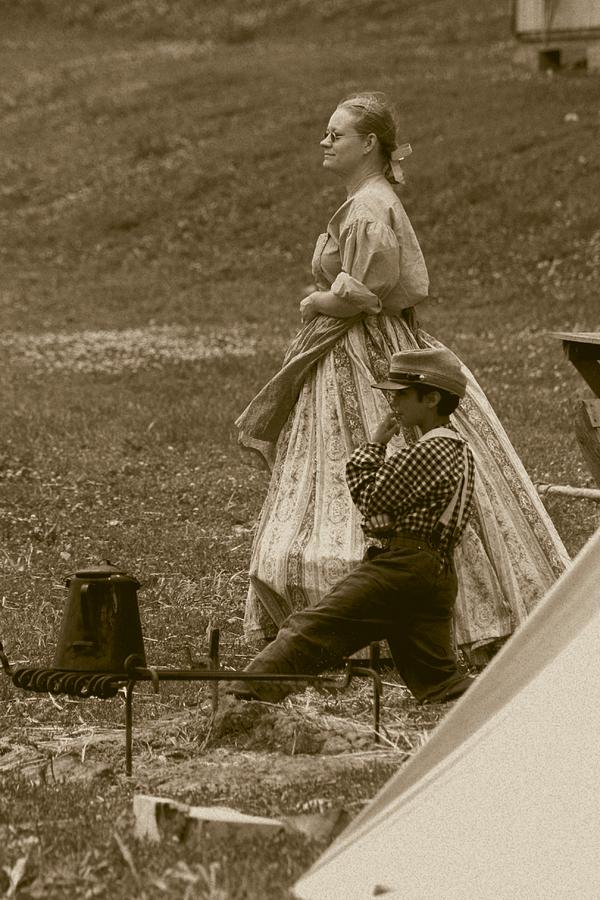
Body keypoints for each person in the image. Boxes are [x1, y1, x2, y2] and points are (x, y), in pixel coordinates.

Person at [236, 91, 569, 667]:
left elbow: (361, 299)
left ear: (370, 144)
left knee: (367, 458)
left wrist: (317, 297)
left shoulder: (368, 208)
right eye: (326, 132)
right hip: (378, 343)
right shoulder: (367, 201)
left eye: (336, 134)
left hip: (363, 350)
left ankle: (345, 600)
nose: (325, 141)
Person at [232, 348, 476, 704]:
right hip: (434, 575)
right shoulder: (459, 449)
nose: (393, 402)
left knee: (307, 629)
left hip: (401, 568)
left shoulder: (430, 450)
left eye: (401, 394)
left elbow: (371, 499)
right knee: (440, 682)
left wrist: (374, 445)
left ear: (432, 398)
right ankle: (519, 694)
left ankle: (241, 697)